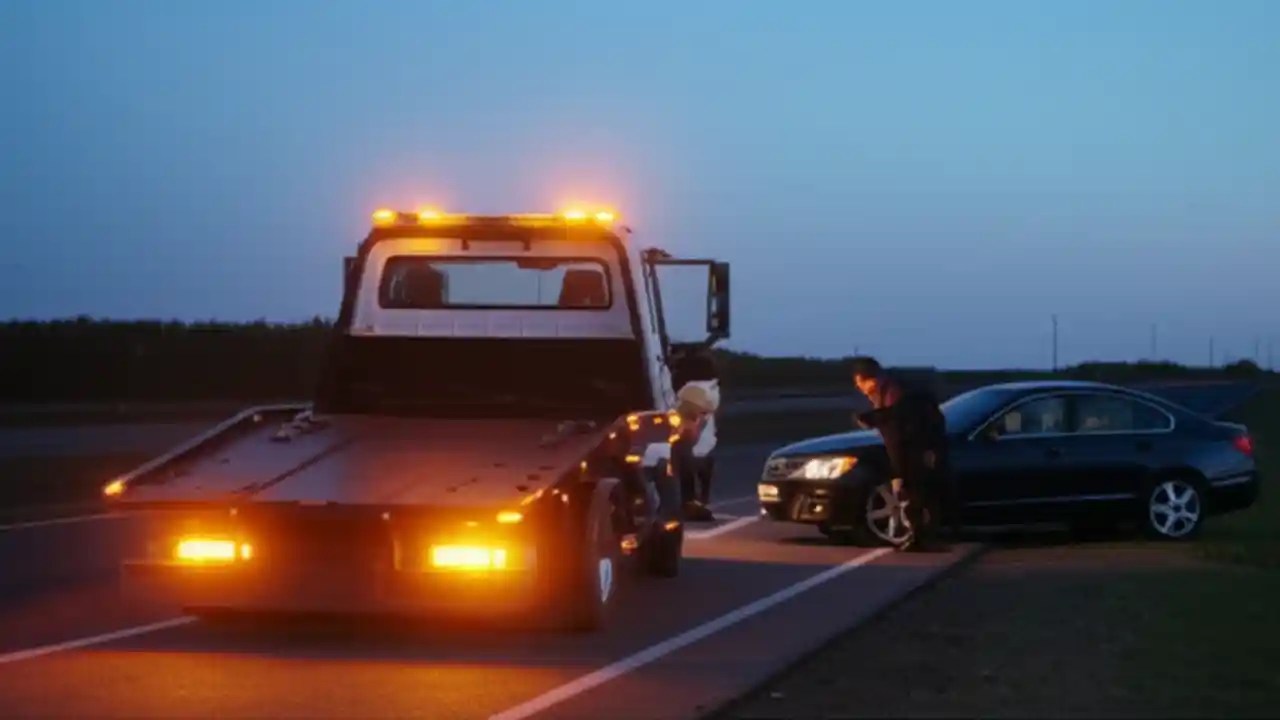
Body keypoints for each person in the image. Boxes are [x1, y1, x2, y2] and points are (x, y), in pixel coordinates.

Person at [850, 356, 949, 551]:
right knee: (919, 494)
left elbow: (897, 431)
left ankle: (920, 539)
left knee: (914, 493)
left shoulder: (891, 394)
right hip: (921, 448)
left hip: (915, 450)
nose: (860, 389)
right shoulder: (891, 392)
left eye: (860, 383)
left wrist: (898, 473)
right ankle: (923, 537)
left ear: (870, 379)